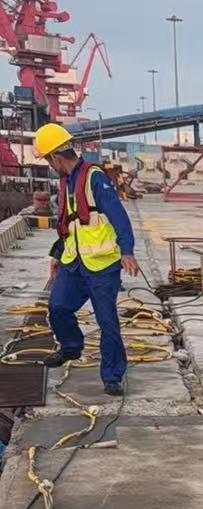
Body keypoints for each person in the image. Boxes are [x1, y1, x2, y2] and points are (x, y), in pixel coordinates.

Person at [34, 123, 139, 397]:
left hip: (102, 266)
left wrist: (127, 251)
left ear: (55, 157)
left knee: (107, 321)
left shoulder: (94, 179)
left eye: (47, 160)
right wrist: (58, 255)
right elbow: (70, 224)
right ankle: (71, 347)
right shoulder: (66, 181)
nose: (49, 166)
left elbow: (119, 217)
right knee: (58, 307)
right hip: (73, 263)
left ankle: (112, 375)